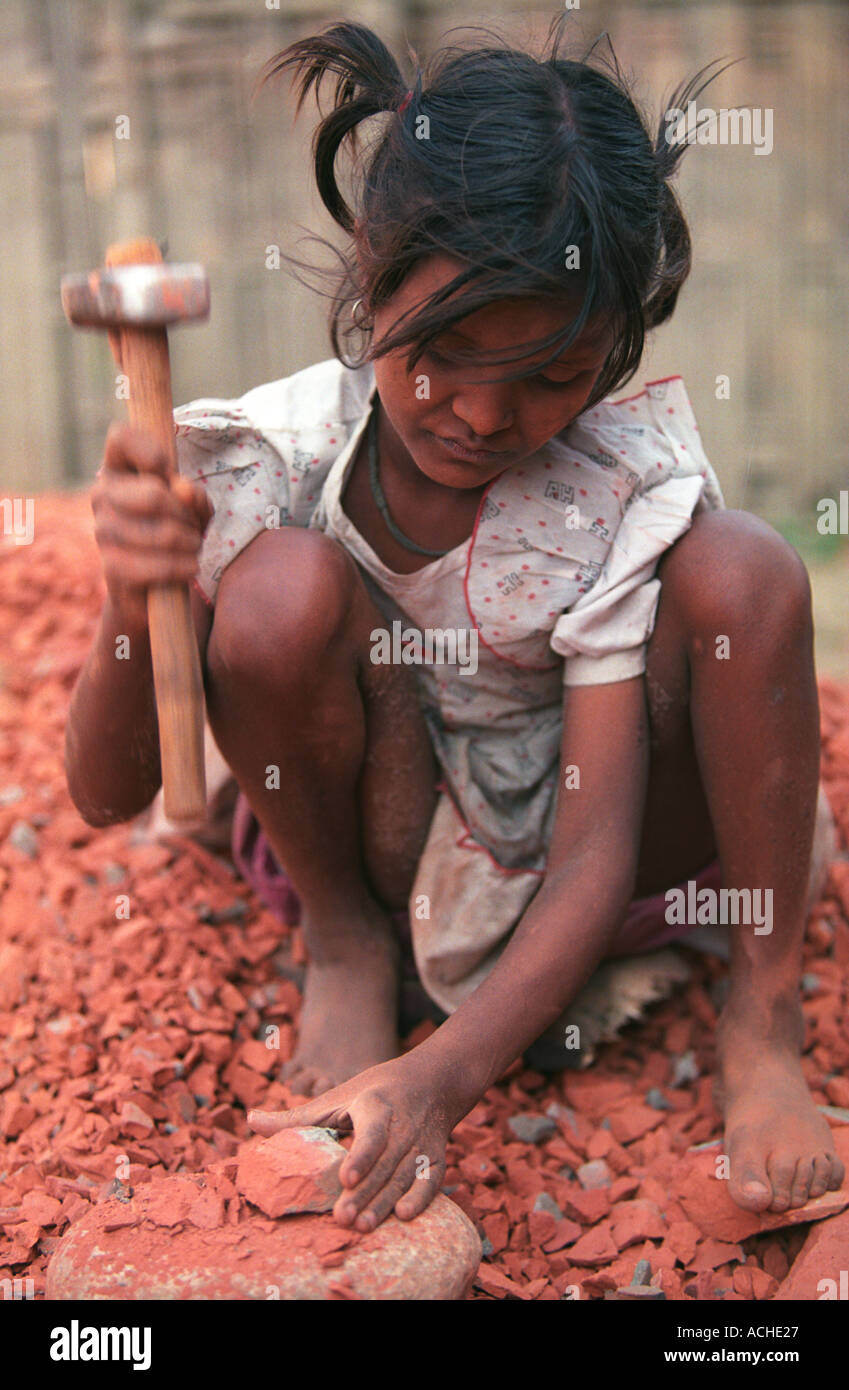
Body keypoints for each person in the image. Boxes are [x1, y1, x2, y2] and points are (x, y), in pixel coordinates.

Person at [65, 17, 843, 1238]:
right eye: (445, 355)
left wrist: (441, 1080)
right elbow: (111, 796)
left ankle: (762, 1007)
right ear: (371, 271)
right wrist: (131, 591)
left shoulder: (613, 490)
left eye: (551, 375)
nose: (482, 415)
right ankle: (345, 941)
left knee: (748, 572)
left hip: (602, 847)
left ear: (616, 353)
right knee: (272, 593)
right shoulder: (279, 457)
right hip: (390, 820)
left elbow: (591, 856)